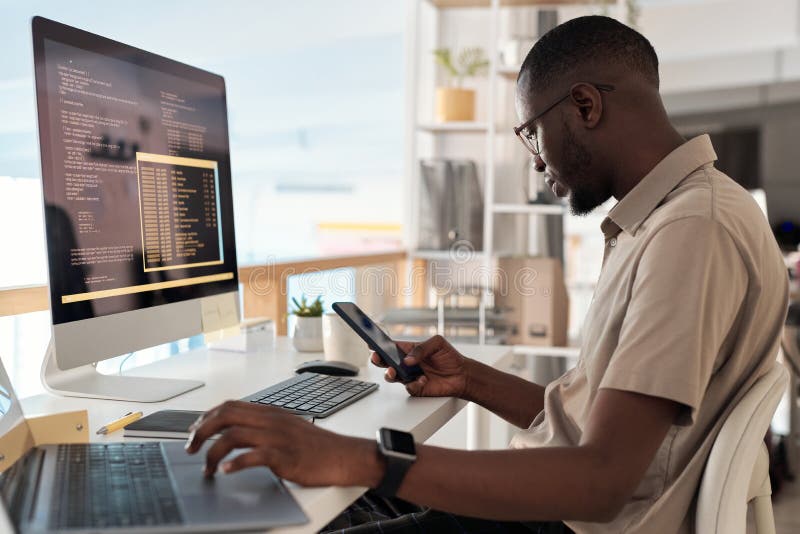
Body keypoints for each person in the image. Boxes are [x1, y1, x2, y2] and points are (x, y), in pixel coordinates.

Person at [184, 16, 788, 534]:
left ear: (585, 105)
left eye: (532, 134)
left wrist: (358, 457)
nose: (537, 163)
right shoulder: (666, 219)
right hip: (559, 512)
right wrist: (469, 378)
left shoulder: (691, 230)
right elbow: (589, 427)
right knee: (311, 498)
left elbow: (600, 480)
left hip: (570, 522)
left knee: (300, 504)